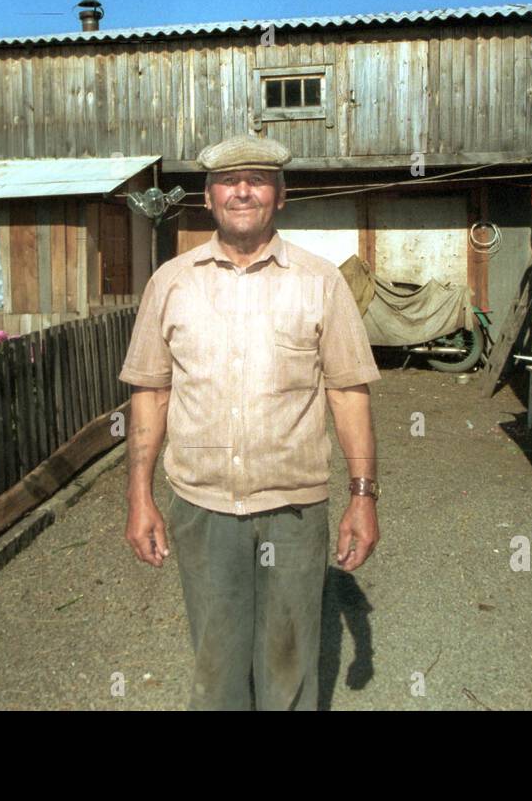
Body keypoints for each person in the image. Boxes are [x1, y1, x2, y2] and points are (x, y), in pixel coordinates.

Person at [119, 134, 382, 710]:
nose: (243, 191)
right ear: (208, 198)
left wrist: (363, 497)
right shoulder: (171, 283)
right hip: (202, 508)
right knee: (216, 670)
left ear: (280, 195)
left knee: (289, 668)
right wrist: (140, 495)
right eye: (228, 182)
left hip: (294, 508)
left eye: (258, 180)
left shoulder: (320, 282)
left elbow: (348, 393)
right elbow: (150, 395)